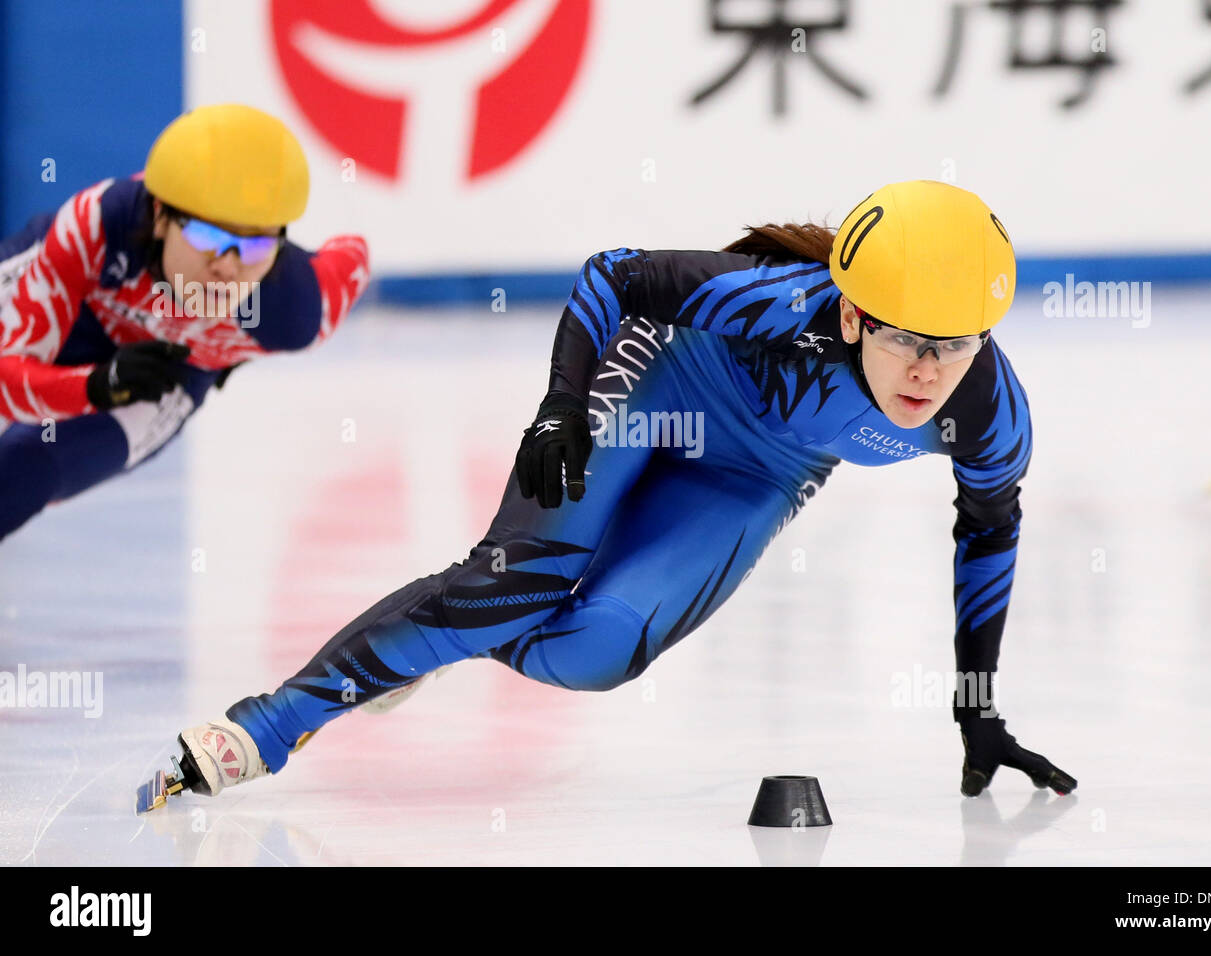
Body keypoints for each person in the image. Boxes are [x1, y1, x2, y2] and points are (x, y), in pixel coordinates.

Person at [140, 180, 1075, 811]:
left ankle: (441, 633)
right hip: (662, 384)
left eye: (957, 345)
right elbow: (615, 276)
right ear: (850, 310)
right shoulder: (775, 302)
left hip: (760, 472)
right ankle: (273, 724)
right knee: (520, 582)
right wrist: (560, 409)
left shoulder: (988, 414)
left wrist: (977, 707)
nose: (930, 371)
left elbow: (988, 535)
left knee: (592, 654)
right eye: (910, 339)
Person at [0, 103, 369, 540]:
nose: (228, 268)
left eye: (253, 246)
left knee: (26, 469)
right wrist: (93, 386)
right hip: (77, 309)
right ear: (159, 217)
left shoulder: (294, 311)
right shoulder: (97, 227)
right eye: (208, 236)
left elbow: (356, 252)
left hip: (165, 374)